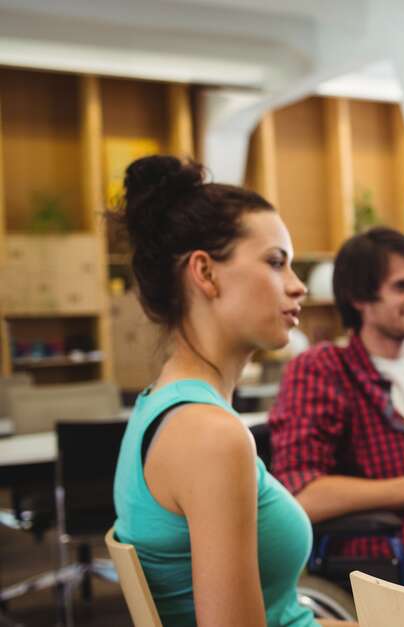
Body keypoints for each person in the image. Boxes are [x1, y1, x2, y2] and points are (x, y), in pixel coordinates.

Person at [110, 156, 351, 626]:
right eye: (276, 263)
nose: (297, 286)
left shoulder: (165, 407)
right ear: (205, 273)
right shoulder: (208, 435)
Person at [269, 227, 404, 586]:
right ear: (359, 298)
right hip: (389, 552)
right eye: (402, 287)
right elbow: (301, 494)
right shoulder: (323, 369)